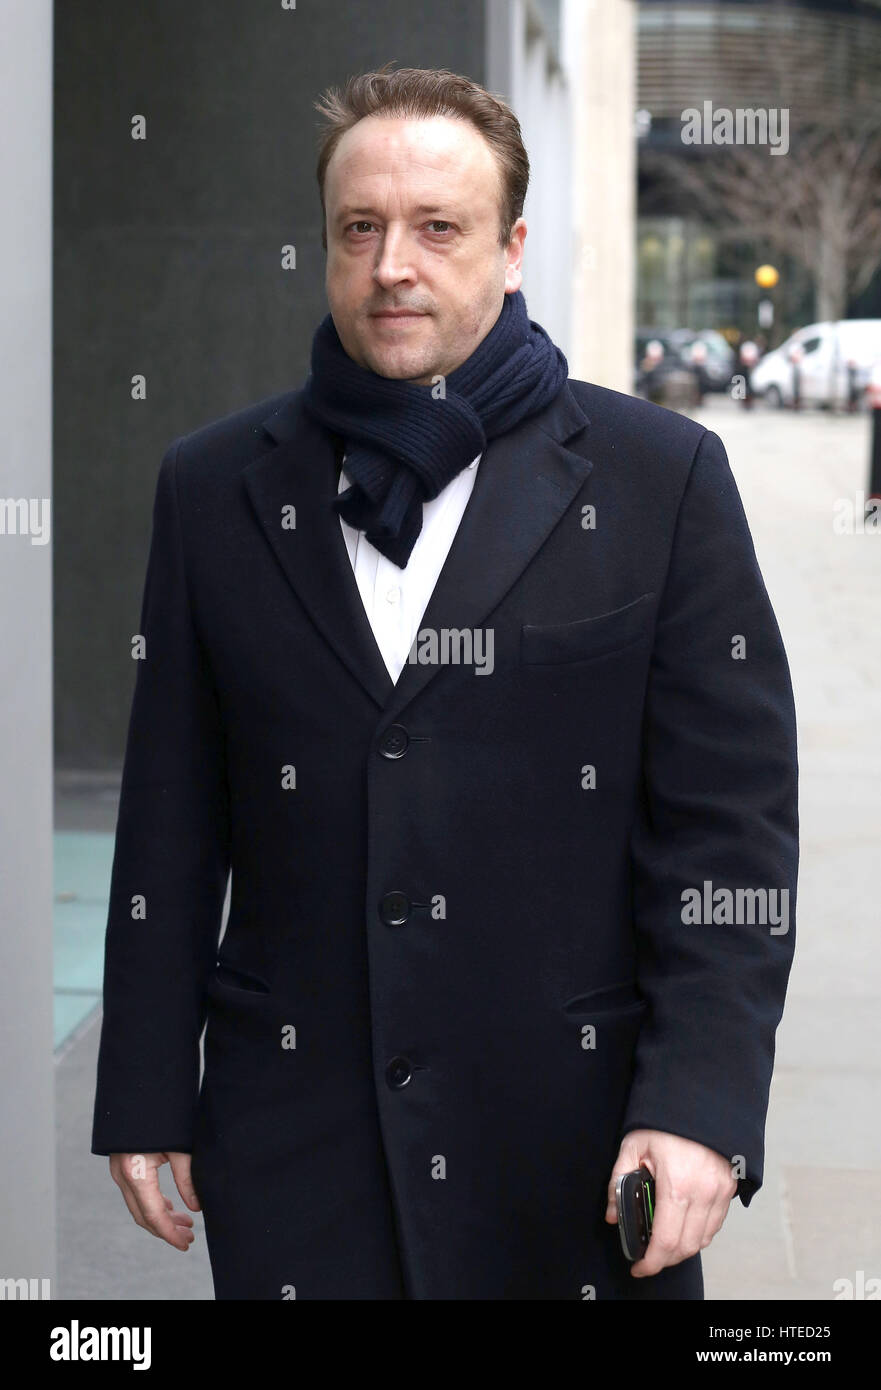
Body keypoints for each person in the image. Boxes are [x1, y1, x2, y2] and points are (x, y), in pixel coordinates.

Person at [91, 64, 799, 1301]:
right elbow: (168, 816)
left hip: (574, 1151)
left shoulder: (659, 478)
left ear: (511, 247)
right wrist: (146, 1084)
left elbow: (728, 835)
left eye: (436, 228)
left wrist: (699, 1104)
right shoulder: (211, 487)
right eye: (358, 229)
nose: (390, 267)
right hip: (295, 1146)